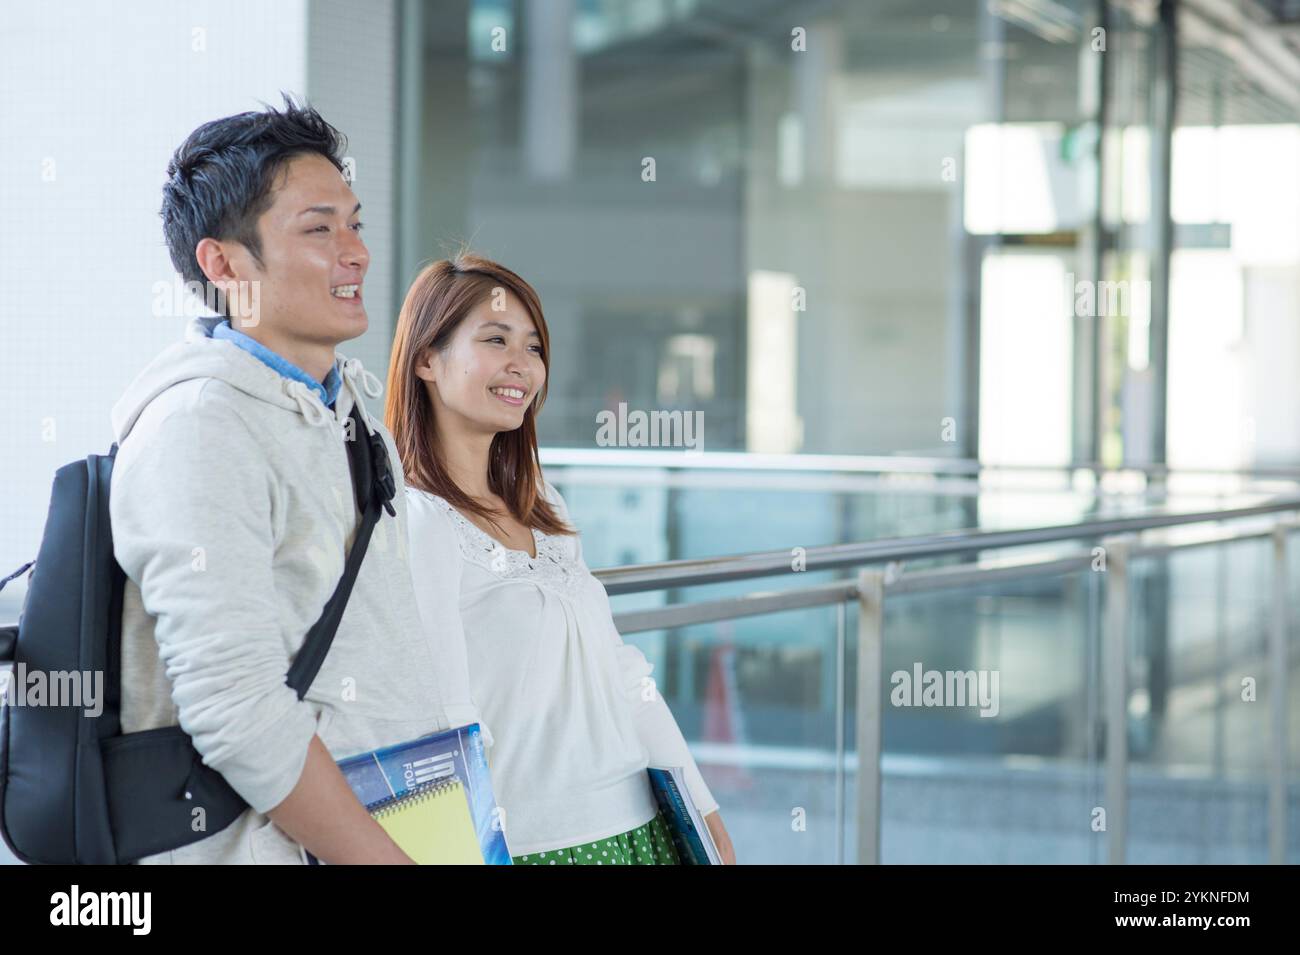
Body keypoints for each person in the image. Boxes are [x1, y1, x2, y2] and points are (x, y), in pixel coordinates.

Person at [110, 97, 478, 864]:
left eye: (356, 223)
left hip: (404, 824)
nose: (357, 253)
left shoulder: (350, 412)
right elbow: (234, 709)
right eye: (319, 229)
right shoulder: (200, 426)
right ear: (224, 264)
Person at [387, 252, 737, 865]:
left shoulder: (543, 503)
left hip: (642, 829)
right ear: (425, 359)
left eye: (533, 346)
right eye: (495, 340)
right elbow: (444, 724)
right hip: (532, 847)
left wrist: (705, 814)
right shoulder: (416, 521)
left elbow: (625, 676)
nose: (521, 365)